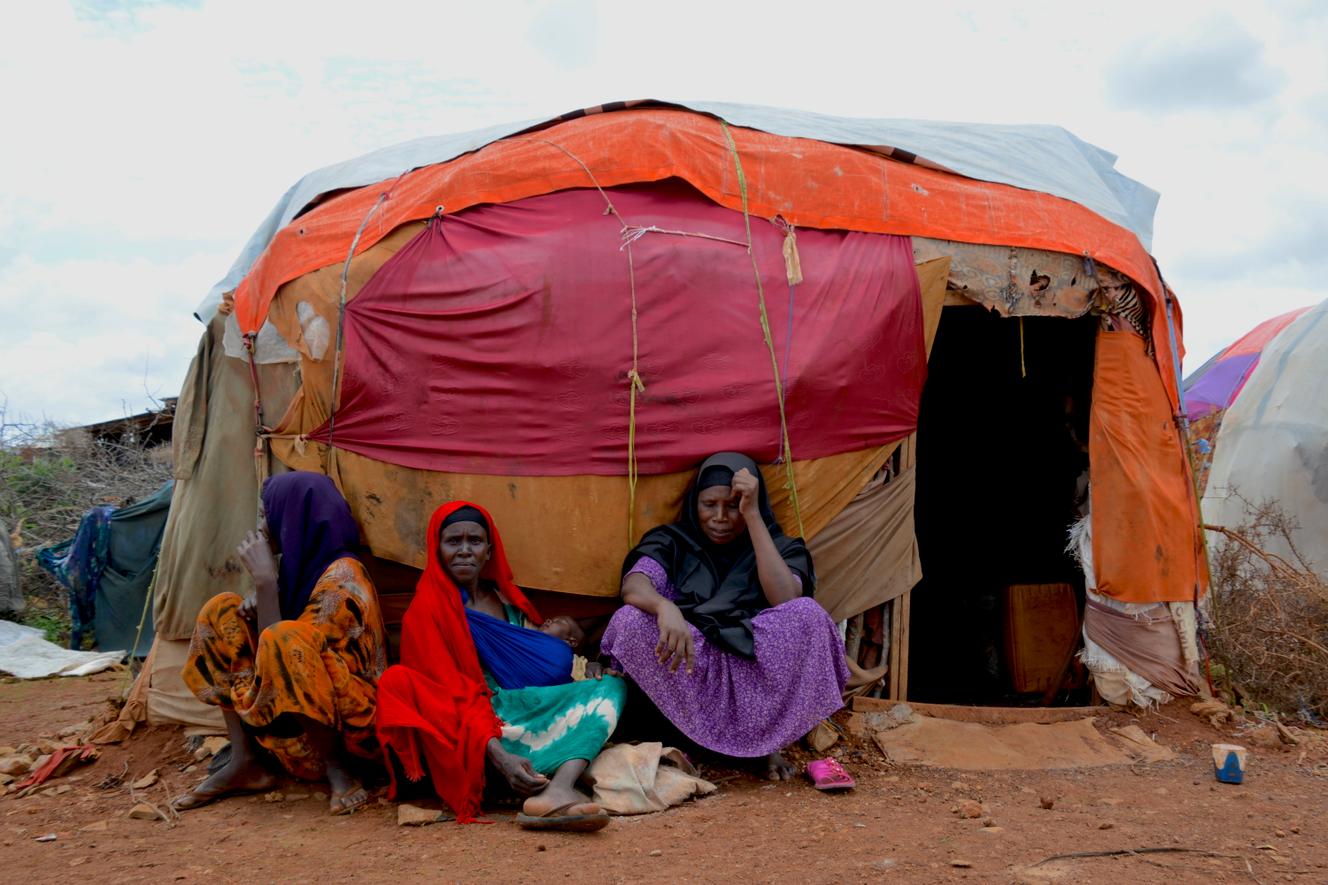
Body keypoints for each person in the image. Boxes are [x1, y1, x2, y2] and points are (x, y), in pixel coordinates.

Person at [376, 502, 626, 830]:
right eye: (453, 541)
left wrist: (586, 669)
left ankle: (559, 788)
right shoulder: (426, 613)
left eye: (475, 541)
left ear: (489, 550)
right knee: (396, 682)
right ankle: (525, 778)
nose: (464, 551)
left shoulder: (507, 600)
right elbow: (445, 696)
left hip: (526, 709)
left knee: (612, 686)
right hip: (480, 729)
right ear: (436, 548)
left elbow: (541, 658)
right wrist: (500, 757)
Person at [601, 452, 849, 779]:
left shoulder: (779, 547)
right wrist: (665, 607)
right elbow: (635, 585)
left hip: (750, 658)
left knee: (808, 614)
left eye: (732, 506)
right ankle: (681, 742)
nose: (720, 517)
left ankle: (762, 745)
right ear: (694, 504)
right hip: (690, 656)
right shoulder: (672, 543)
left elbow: (785, 598)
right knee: (629, 620)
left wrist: (753, 516)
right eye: (709, 505)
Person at [174, 472, 386, 815]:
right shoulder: (295, 566)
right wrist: (260, 595)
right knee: (221, 611)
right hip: (295, 732)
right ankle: (245, 761)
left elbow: (286, 657)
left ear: (291, 515)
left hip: (354, 734)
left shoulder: (345, 577)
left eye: (265, 514)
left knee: (282, 638)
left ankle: (339, 770)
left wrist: (266, 585)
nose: (260, 525)